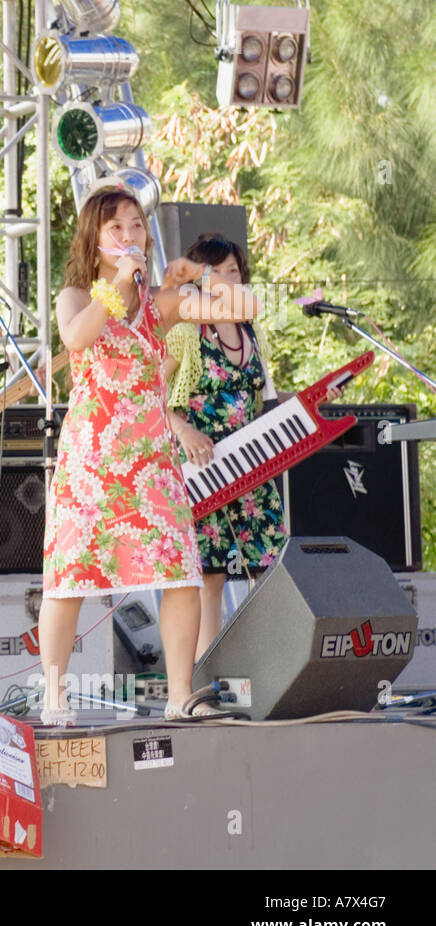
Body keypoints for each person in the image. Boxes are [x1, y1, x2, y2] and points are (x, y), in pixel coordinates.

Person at [38, 190, 260, 724]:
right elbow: (77, 334)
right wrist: (117, 282)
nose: (130, 236)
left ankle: (179, 694)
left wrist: (193, 276)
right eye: (116, 228)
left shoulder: (160, 303)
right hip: (91, 462)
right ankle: (54, 693)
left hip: (152, 461)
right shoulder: (75, 295)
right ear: (94, 239)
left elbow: (245, 306)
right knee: (69, 578)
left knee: (181, 573)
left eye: (138, 227)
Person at [162, 233, 338, 659]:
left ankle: (274, 670)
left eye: (234, 272)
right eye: (217, 272)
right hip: (203, 474)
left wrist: (312, 405)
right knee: (210, 577)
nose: (227, 280)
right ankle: (202, 678)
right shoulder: (186, 331)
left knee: (271, 569)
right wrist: (184, 432)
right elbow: (149, 397)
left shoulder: (251, 332)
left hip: (252, 470)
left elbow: (268, 403)